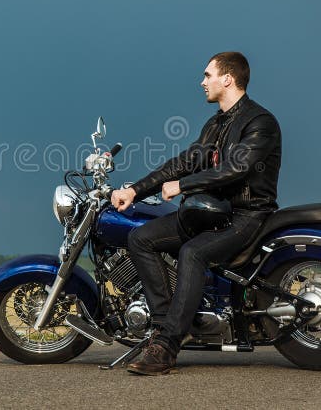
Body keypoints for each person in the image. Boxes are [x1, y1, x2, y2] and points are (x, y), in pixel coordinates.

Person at [109, 51, 282, 375]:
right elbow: (184, 162)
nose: (202, 82)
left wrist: (183, 185)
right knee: (140, 237)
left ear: (227, 78)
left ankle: (167, 347)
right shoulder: (217, 124)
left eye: (207, 75)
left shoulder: (259, 122)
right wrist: (135, 191)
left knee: (192, 253)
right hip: (215, 213)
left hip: (247, 216)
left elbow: (237, 168)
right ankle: (162, 329)